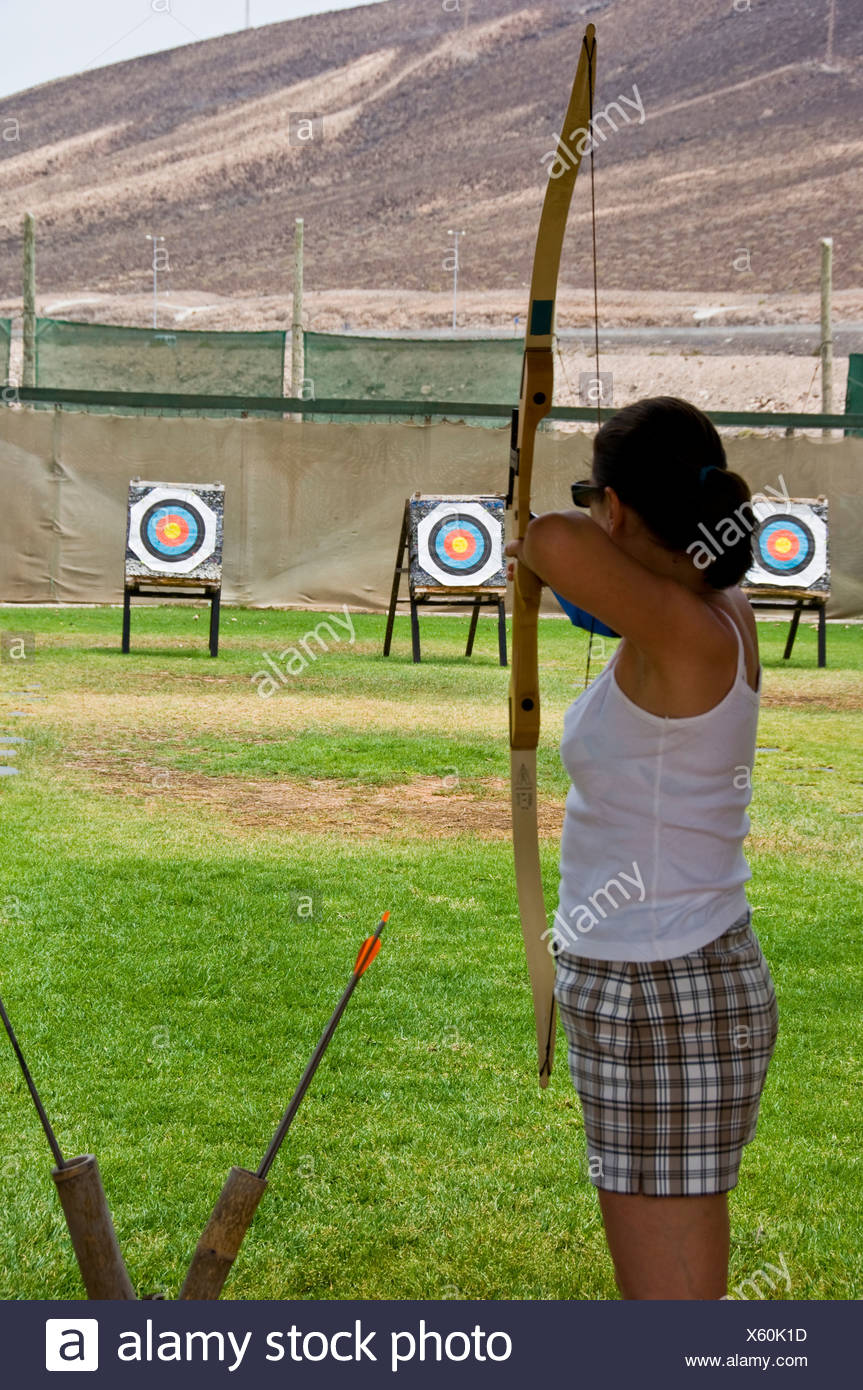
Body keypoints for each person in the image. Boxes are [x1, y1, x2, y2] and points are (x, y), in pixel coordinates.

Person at [505, 397, 778, 1300]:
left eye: (595, 496)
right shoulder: (710, 610)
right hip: (680, 977)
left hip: (657, 993)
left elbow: (548, 540)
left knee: (670, 1320)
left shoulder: (686, 632)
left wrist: (546, 531)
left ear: (616, 509)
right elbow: (611, 583)